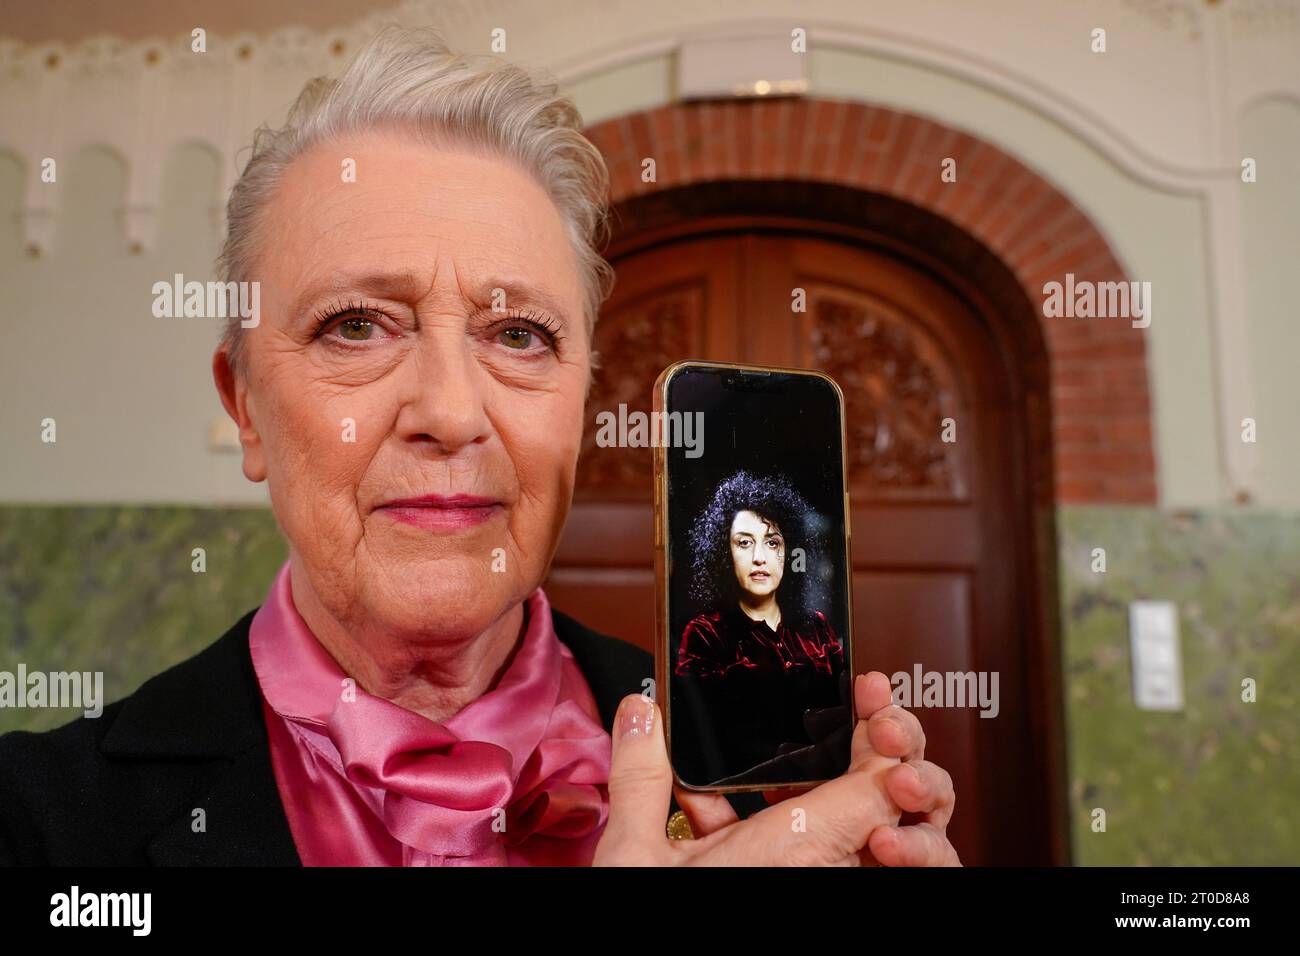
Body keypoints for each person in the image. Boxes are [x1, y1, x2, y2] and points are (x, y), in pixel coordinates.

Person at [0, 26, 960, 867]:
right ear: (245, 407)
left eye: (518, 336)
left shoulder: (759, 774)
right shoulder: (36, 822)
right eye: (356, 326)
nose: (452, 414)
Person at [674, 471, 850, 784]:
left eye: (772, 543)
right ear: (725, 553)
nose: (759, 558)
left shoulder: (816, 628)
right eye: (744, 543)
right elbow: (703, 738)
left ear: (788, 552)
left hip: (823, 789)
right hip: (735, 795)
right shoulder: (704, 633)